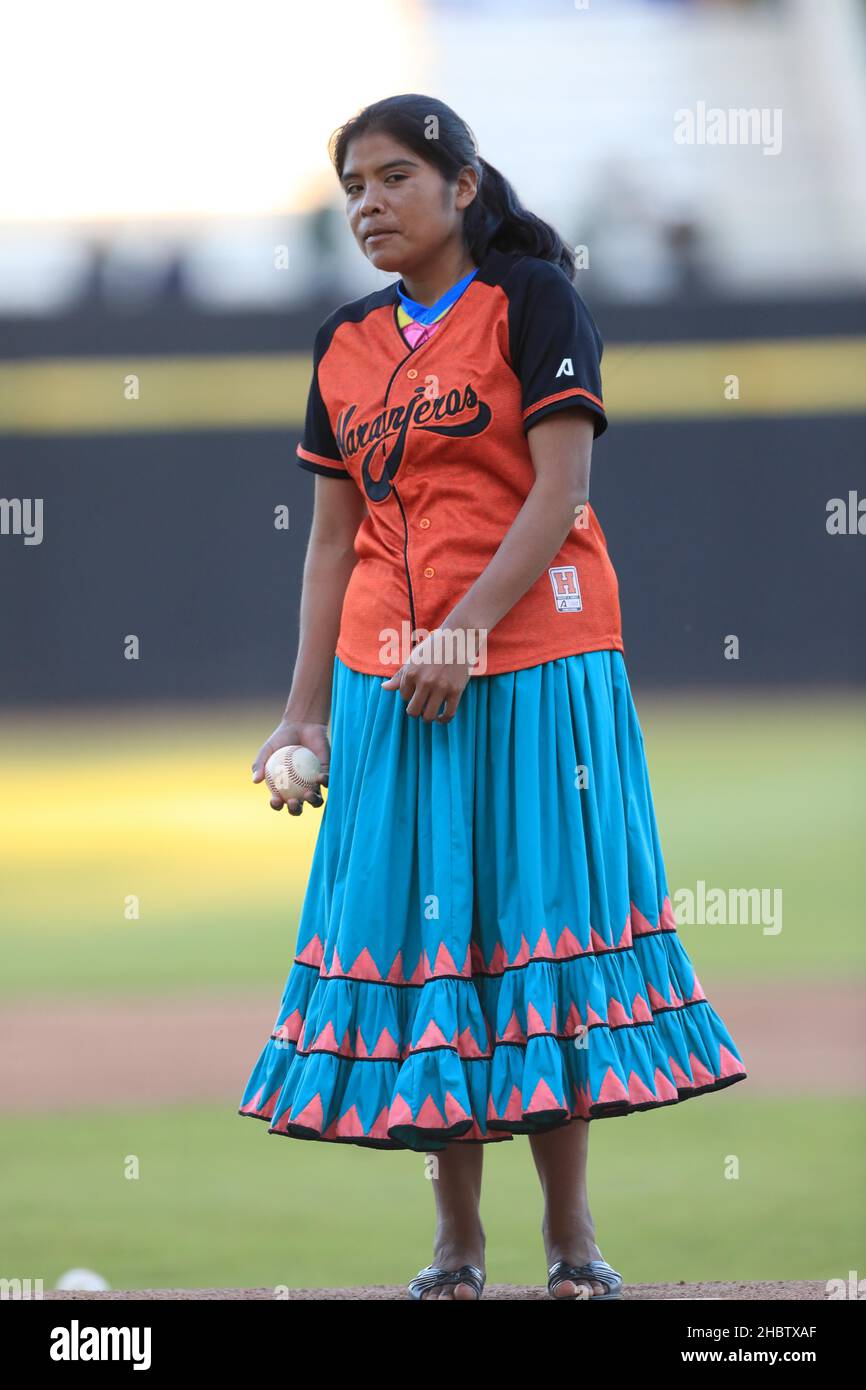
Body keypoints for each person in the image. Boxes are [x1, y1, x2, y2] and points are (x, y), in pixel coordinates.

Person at [238, 93, 748, 1302]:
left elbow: (560, 489)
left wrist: (461, 631)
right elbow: (329, 541)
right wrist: (302, 712)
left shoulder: (531, 299)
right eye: (352, 185)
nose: (368, 203)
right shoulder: (344, 341)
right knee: (434, 957)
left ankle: (571, 1243)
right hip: (387, 681)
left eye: (394, 177)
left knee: (535, 946)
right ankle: (455, 1247)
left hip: (534, 665)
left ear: (462, 185)